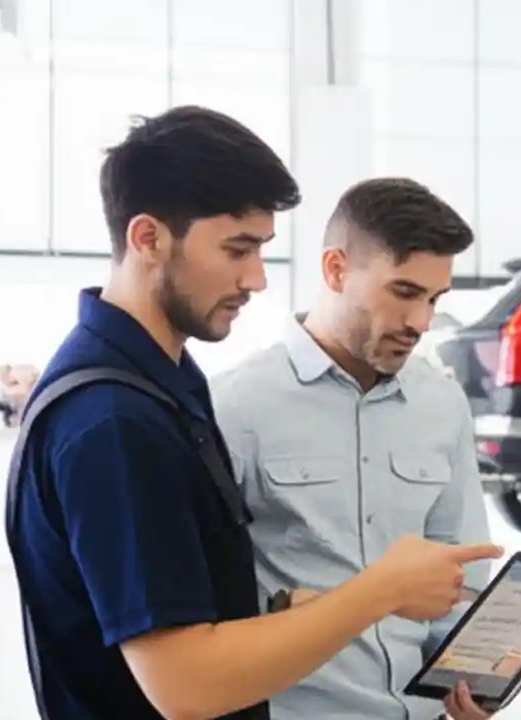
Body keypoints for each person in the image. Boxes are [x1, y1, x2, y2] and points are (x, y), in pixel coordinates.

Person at [4, 107, 502, 720]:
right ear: (148, 238)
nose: (257, 279)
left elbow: (193, 599)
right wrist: (380, 590)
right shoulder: (114, 419)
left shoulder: (166, 392)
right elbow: (186, 685)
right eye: (237, 250)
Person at [211, 178, 497, 720]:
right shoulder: (233, 407)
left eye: (435, 299)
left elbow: (460, 579)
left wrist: (477, 681)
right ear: (336, 269)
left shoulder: (442, 404)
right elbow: (206, 609)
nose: (421, 323)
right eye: (405, 292)